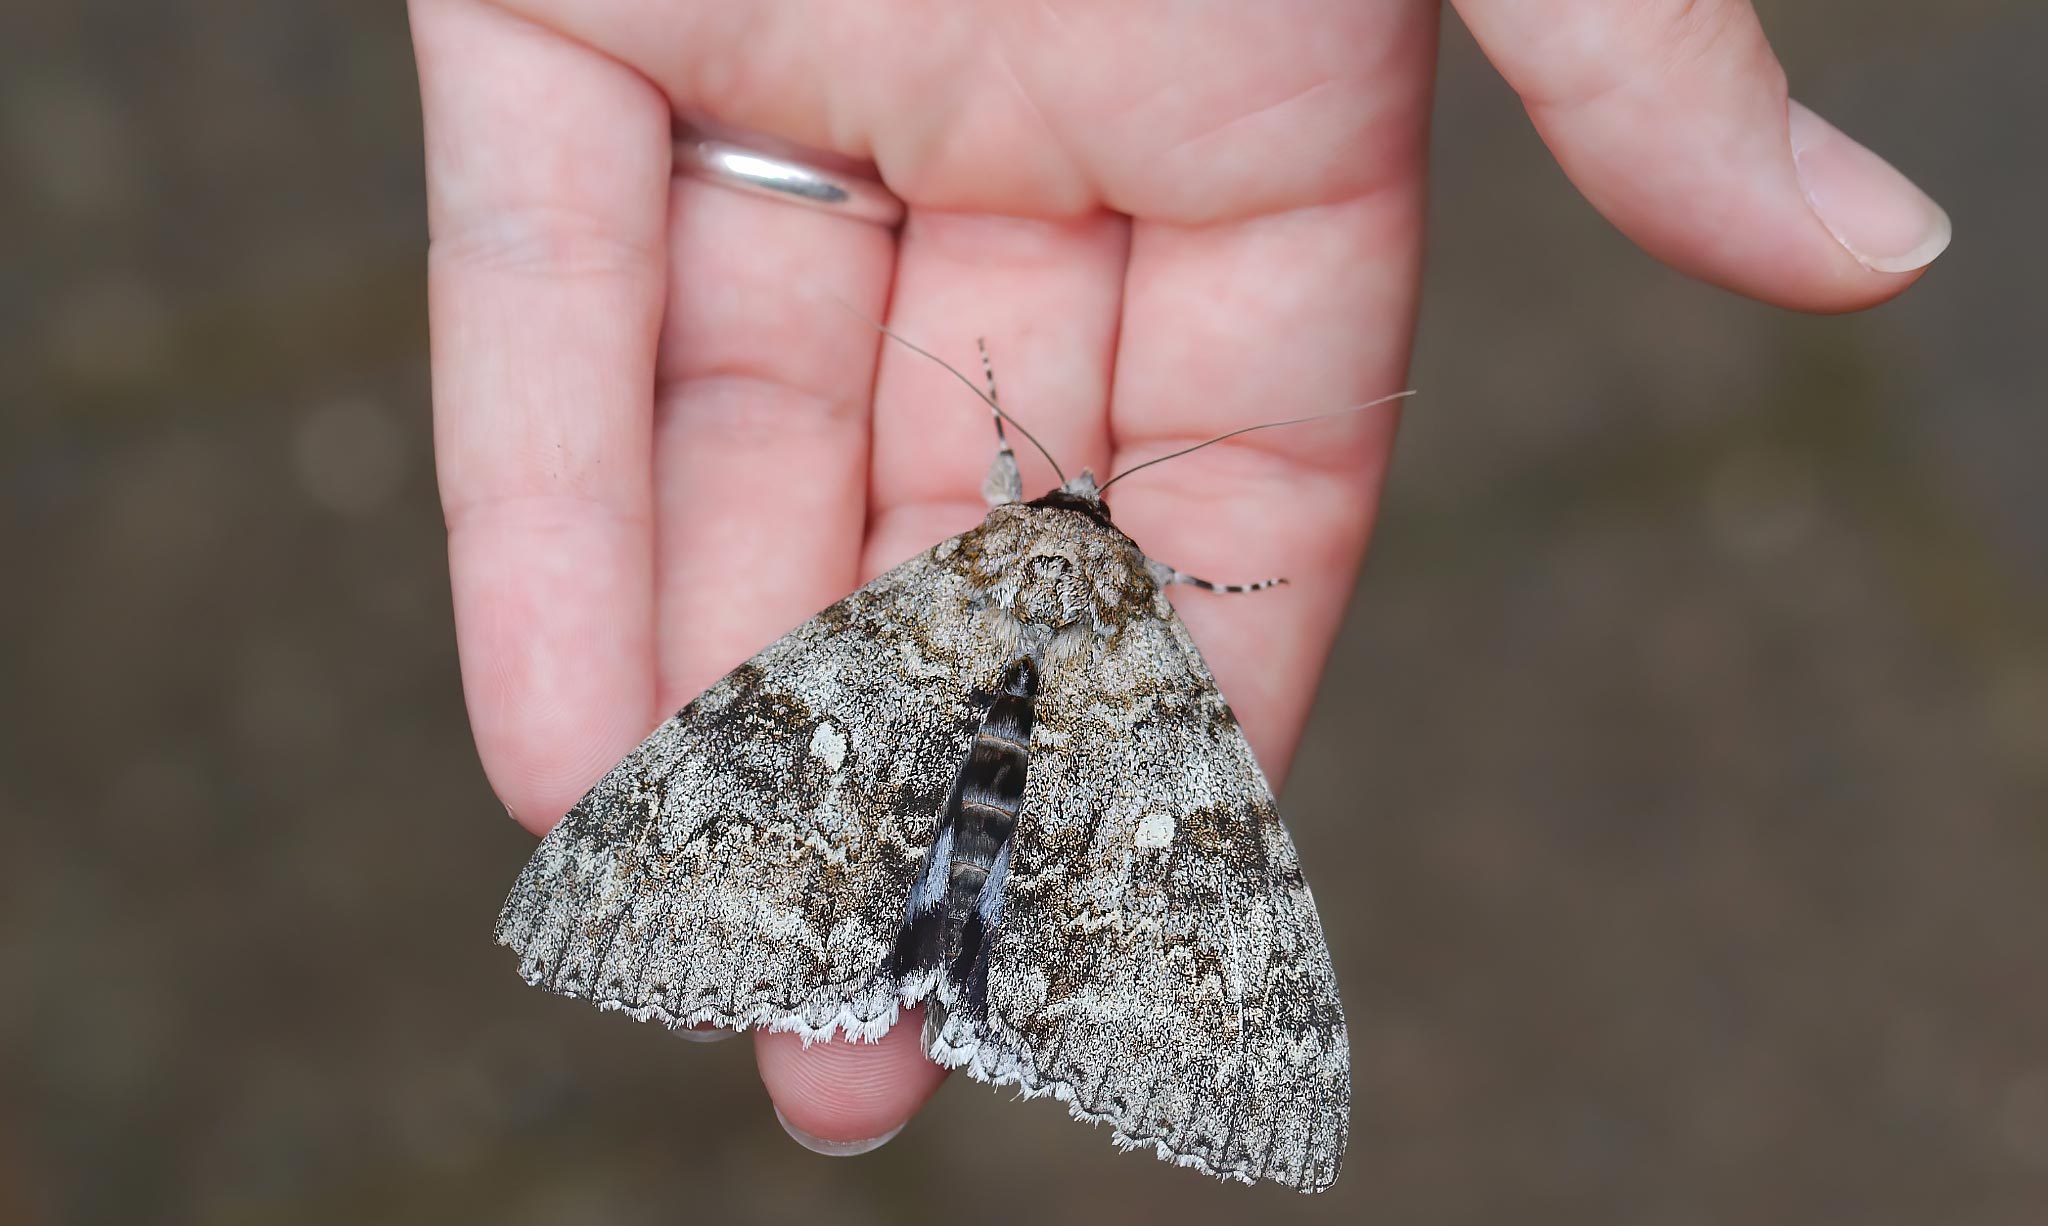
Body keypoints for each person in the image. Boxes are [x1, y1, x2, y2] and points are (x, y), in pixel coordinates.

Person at [407, 0, 1949, 1158]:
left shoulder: (968, 558)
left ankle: (856, 930)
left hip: (918, 642)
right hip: (1126, 708)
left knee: (770, 755)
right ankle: (956, 952)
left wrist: (999, 414)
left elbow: (1011, 478)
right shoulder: (1138, 610)